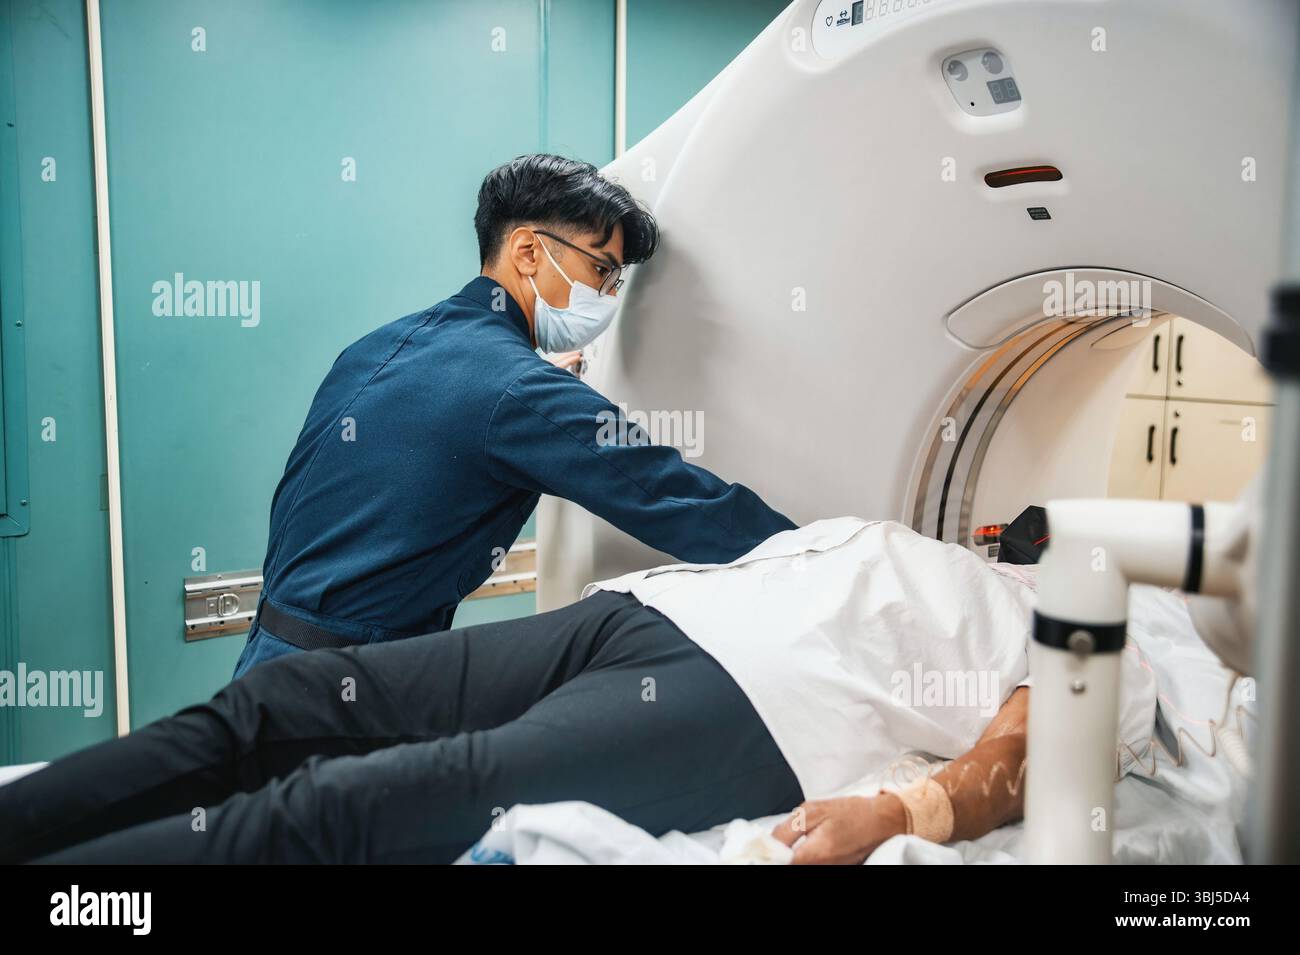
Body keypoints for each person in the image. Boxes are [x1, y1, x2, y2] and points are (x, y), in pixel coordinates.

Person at [0, 519, 1153, 864]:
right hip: (644, 613)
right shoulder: (895, 528)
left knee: (369, 800)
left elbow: (1042, 734)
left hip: (751, 706)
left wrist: (905, 812)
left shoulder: (1106, 614)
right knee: (291, 697)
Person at [233, 154, 794, 678]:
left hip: (266, 660)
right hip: (344, 691)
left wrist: (541, 380)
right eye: (601, 270)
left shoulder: (379, 346)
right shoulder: (518, 390)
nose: (607, 296)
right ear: (527, 250)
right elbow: (665, 493)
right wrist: (820, 554)